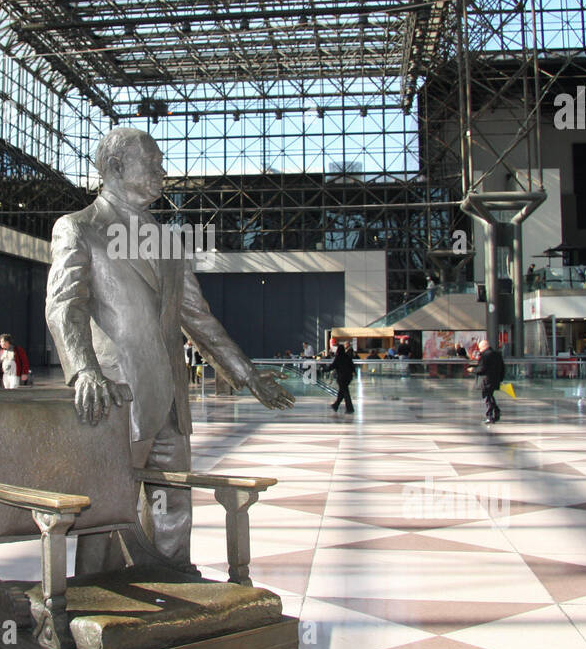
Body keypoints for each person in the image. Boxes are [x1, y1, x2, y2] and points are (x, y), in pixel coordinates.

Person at [46, 125, 294, 574]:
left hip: (171, 403)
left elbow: (197, 316)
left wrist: (246, 373)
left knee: (174, 501)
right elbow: (65, 306)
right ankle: (94, 594)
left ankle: (172, 577)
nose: (164, 170)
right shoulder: (80, 228)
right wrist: (83, 370)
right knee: (109, 506)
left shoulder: (168, 240)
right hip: (118, 396)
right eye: (153, 161)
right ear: (116, 167)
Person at [474, 339, 506, 424]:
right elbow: (502, 367)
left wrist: (473, 369)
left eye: (480, 348)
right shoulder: (497, 354)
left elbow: (482, 368)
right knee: (490, 396)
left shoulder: (485, 355)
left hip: (486, 381)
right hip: (494, 380)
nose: (480, 350)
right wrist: (500, 378)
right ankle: (496, 411)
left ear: (483, 347)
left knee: (487, 398)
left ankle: (489, 416)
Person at [328, 339, 355, 413]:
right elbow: (352, 366)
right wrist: (354, 372)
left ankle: (350, 409)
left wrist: (324, 369)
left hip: (341, 378)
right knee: (342, 392)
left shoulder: (338, 357)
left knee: (345, 392)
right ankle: (336, 405)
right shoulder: (347, 357)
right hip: (348, 377)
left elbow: (332, 366)